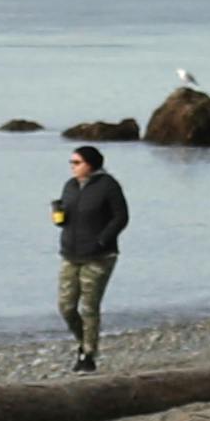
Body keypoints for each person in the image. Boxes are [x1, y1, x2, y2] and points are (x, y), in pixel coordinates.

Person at [48, 140, 129, 368]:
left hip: (99, 256)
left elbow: (121, 217)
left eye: (77, 162)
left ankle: (88, 354)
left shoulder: (108, 185)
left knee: (89, 306)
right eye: (71, 162)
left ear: (90, 165)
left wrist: (102, 240)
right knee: (66, 306)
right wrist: (58, 216)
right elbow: (65, 218)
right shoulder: (70, 186)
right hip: (70, 254)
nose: (72, 166)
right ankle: (83, 343)